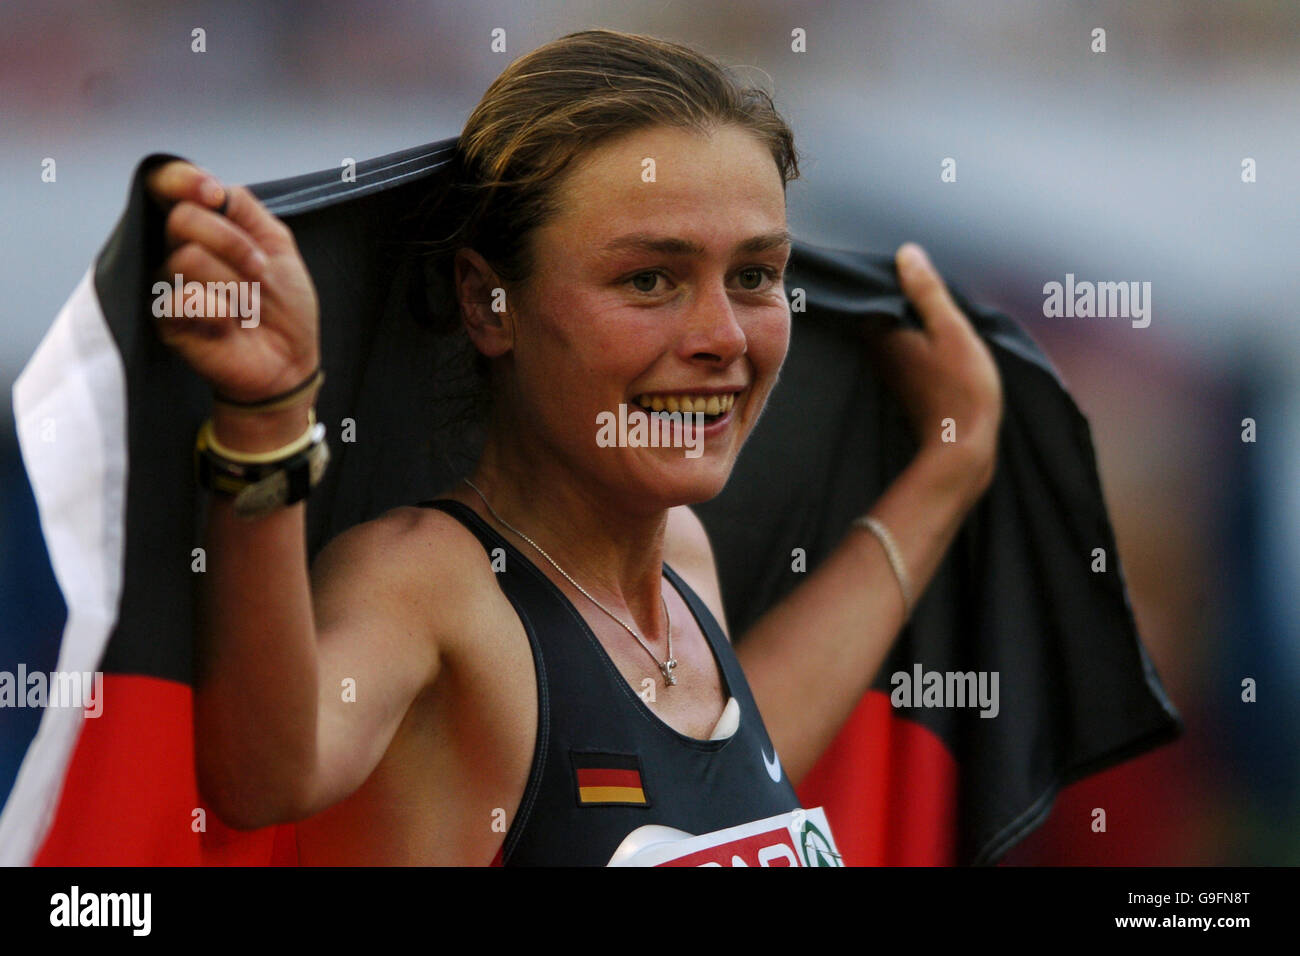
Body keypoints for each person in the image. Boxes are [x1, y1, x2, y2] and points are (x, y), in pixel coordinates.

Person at [148, 28, 1002, 865]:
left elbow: (719, 779)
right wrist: (267, 414)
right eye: (647, 280)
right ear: (490, 303)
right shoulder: (428, 585)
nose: (722, 337)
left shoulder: (684, 570)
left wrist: (954, 460)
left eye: (753, 276)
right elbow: (265, 777)